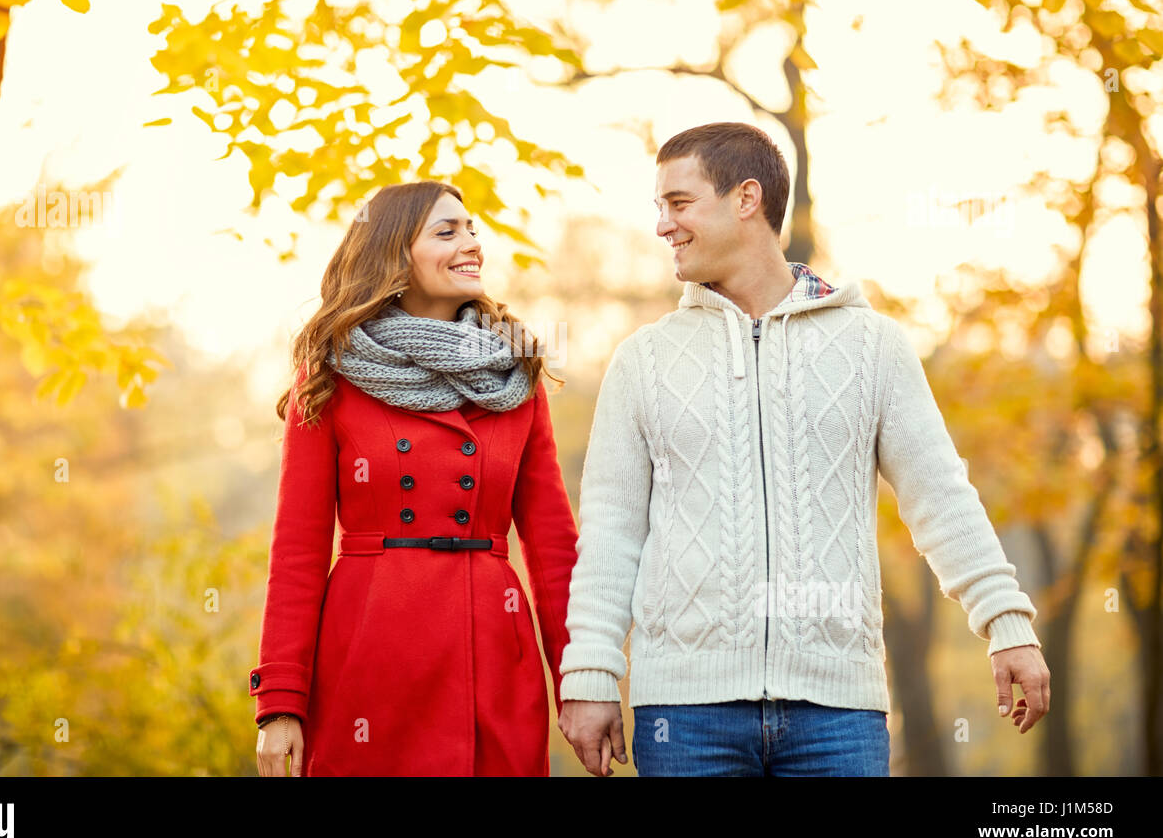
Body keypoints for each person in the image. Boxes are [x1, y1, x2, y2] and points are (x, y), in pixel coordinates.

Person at [556, 121, 1051, 777]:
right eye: (660, 208)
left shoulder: (873, 346)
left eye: (678, 204)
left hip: (837, 711)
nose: (662, 226)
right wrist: (590, 672)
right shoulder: (642, 362)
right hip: (685, 712)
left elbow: (939, 495)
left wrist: (1006, 621)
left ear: (746, 199)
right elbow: (614, 532)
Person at [250, 180, 579, 776]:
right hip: (371, 655)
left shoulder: (514, 371)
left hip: (495, 659)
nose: (472, 243)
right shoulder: (331, 371)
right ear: (394, 254)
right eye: (447, 232)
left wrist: (580, 682)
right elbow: (296, 550)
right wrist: (280, 702)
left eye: (472, 229)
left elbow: (554, 545)